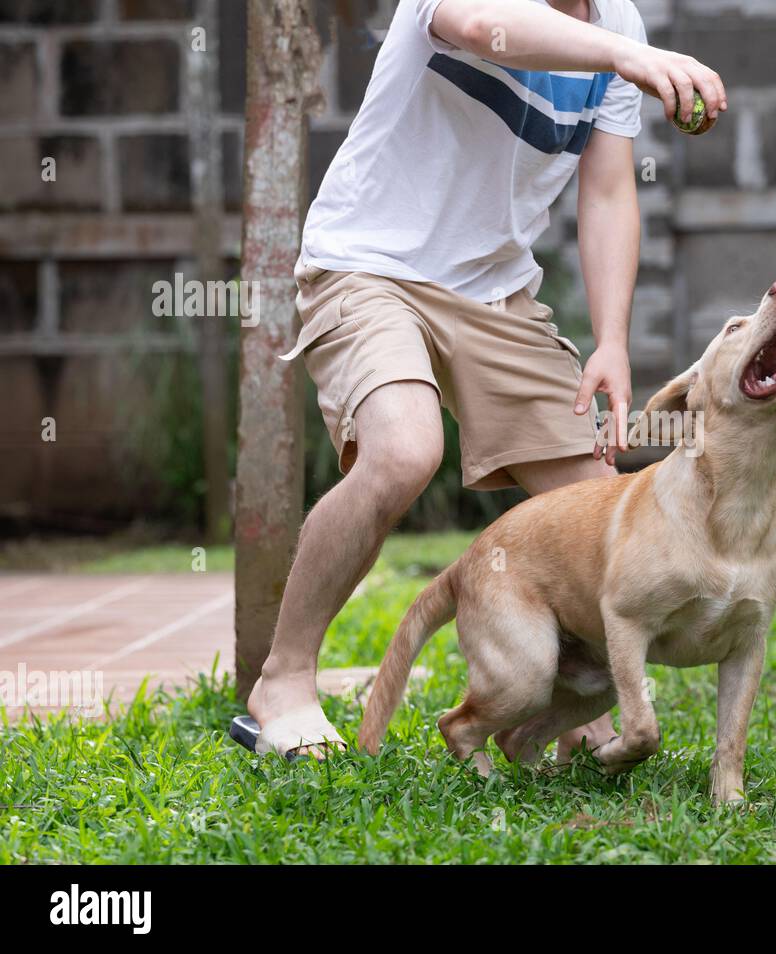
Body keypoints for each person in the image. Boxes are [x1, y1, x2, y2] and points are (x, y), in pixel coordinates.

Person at [235, 0, 726, 760]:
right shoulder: (603, 41)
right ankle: (285, 680)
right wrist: (624, 57)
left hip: (494, 292)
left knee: (591, 506)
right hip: (369, 265)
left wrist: (614, 341)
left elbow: (606, 192)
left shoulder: (618, 26)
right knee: (402, 452)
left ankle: (570, 705)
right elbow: (472, 26)